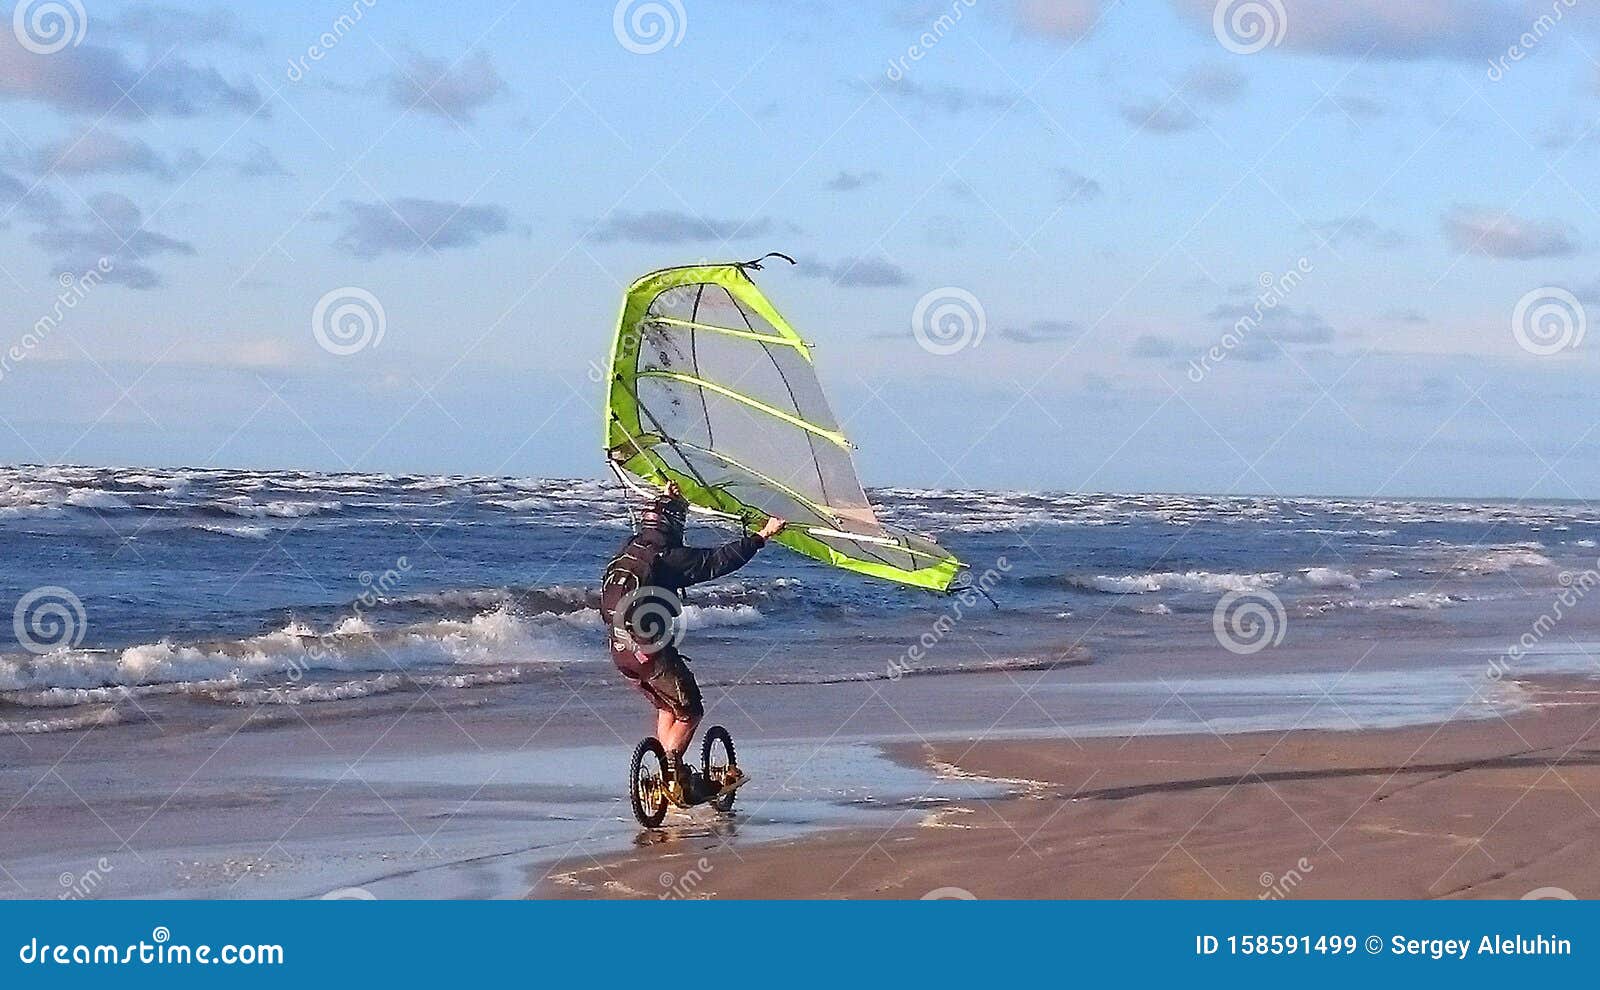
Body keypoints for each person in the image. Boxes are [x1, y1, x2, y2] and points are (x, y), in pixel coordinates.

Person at [601, 482, 786, 803]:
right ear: (674, 525)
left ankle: (664, 774)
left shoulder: (630, 547)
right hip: (651, 653)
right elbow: (718, 561)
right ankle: (671, 776)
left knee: (667, 705)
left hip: (620, 652)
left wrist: (667, 498)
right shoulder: (670, 558)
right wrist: (762, 536)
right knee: (690, 711)